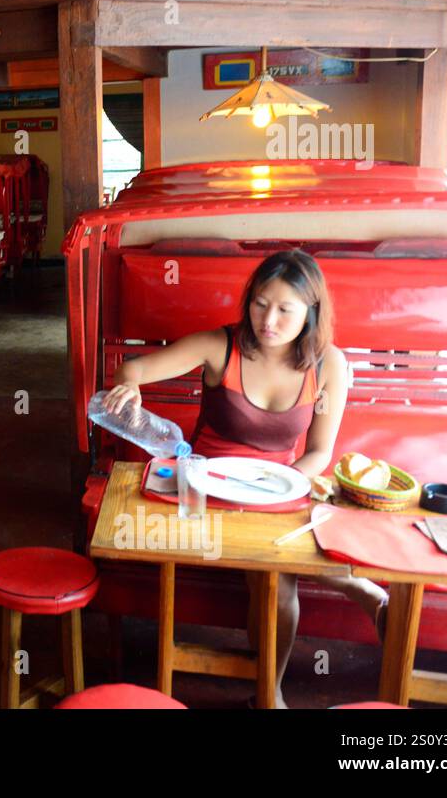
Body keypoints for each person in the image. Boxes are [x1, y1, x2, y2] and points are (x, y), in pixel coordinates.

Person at [101, 249, 387, 708]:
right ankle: (354, 594)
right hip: (207, 489)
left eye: (284, 309)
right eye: (259, 302)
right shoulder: (221, 345)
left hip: (281, 489)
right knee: (278, 569)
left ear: (310, 313)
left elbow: (319, 453)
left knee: (275, 572)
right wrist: (130, 385)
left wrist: (282, 485)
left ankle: (268, 688)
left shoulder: (328, 364)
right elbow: (134, 369)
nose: (267, 319)